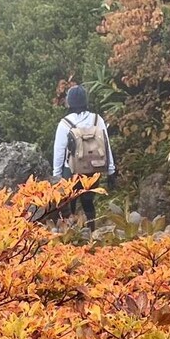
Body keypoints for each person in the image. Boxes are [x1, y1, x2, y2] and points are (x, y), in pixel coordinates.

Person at [51, 84, 115, 230]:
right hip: (94, 168)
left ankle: (73, 231)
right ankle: (92, 230)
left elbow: (59, 150)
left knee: (69, 200)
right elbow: (106, 146)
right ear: (85, 101)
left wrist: (57, 175)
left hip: (72, 170)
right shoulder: (97, 120)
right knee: (88, 200)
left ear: (69, 102)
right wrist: (111, 171)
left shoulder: (65, 123)